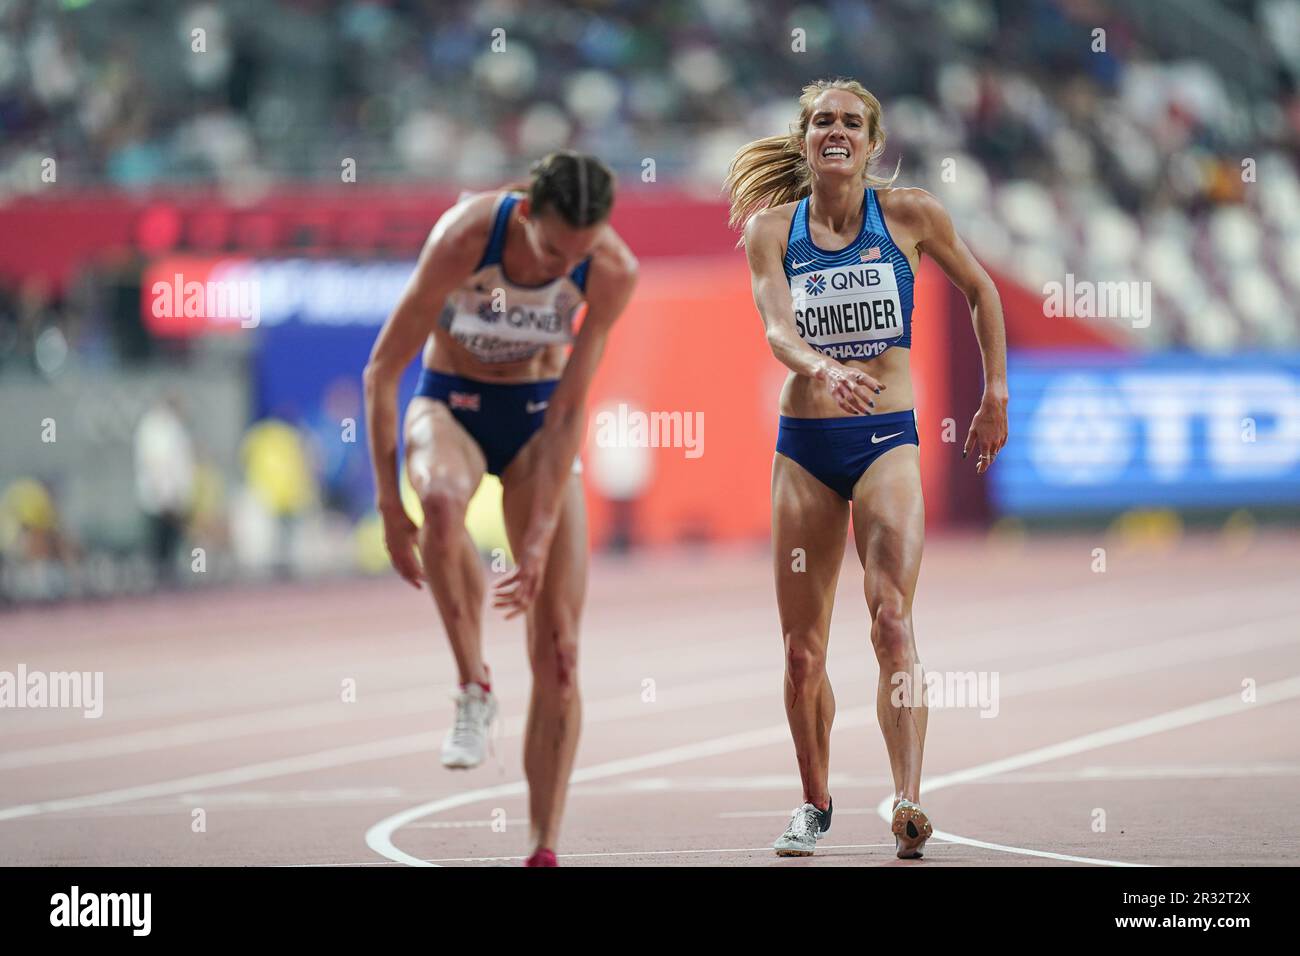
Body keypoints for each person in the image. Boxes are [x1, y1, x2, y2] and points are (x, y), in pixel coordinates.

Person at [726, 79, 1008, 859]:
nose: (837, 130)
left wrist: (995, 393)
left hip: (888, 440)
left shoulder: (911, 215)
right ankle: (814, 805)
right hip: (806, 448)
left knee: (890, 620)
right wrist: (820, 368)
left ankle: (910, 800)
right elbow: (779, 331)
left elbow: (982, 291)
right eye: (822, 121)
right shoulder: (772, 230)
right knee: (801, 650)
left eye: (852, 121)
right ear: (805, 137)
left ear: (873, 142)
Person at [363, 151, 638, 867]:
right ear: (526, 211)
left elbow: (573, 406)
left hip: (538, 422)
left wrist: (540, 534)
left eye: (577, 253)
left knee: (562, 655)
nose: (559, 267)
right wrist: (391, 507)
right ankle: (472, 684)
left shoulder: (611, 271)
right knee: (444, 502)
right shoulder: (465, 236)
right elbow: (383, 369)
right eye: (551, 249)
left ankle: (542, 846)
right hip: (450, 403)